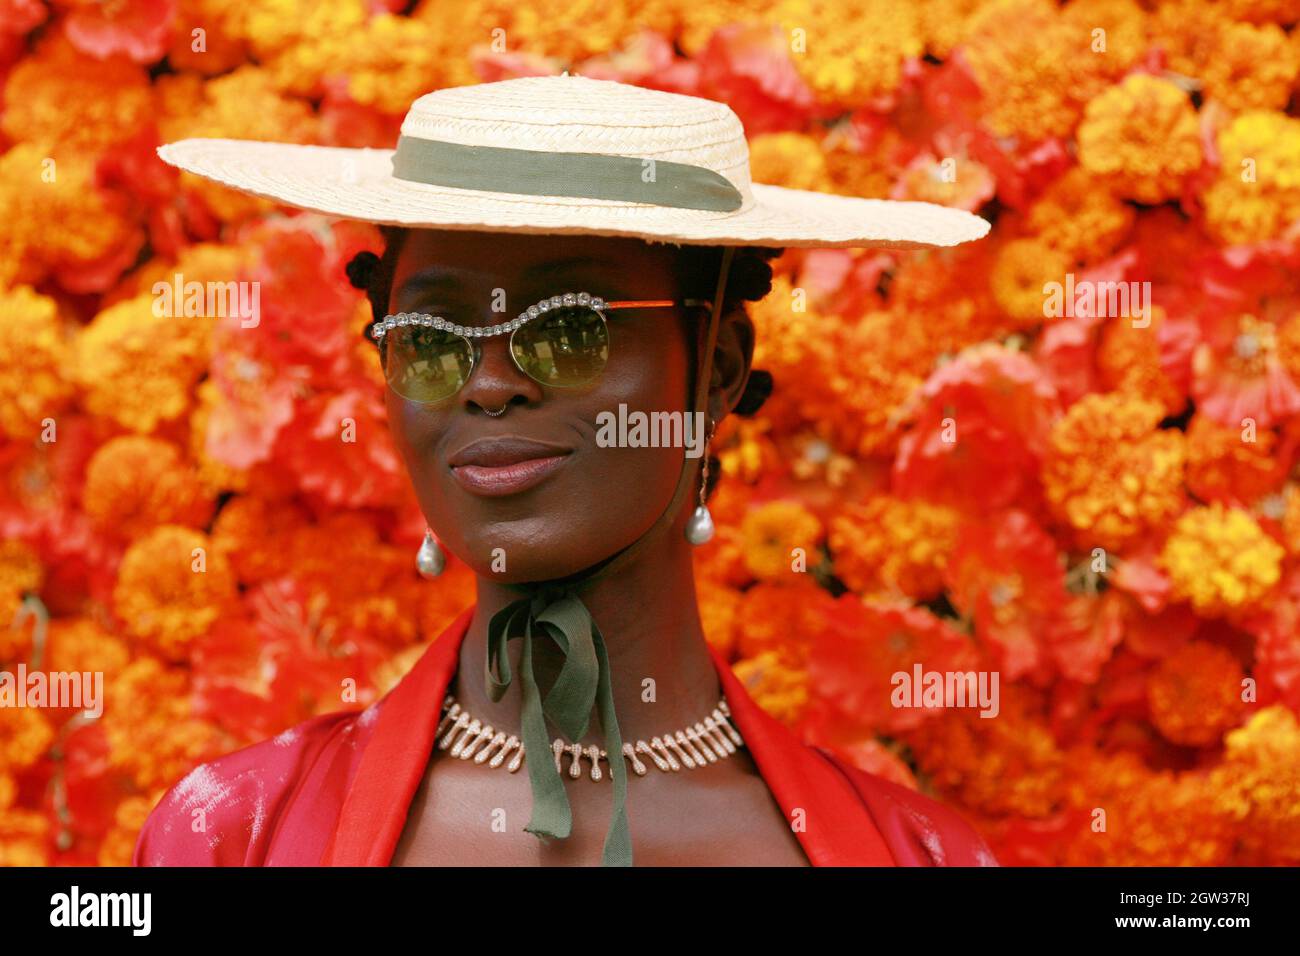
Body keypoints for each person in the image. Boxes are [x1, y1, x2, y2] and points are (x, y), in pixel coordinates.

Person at [134, 74, 997, 867]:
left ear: (719, 365)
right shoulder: (235, 835)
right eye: (431, 341)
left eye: (571, 329)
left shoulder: (912, 854)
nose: (491, 383)